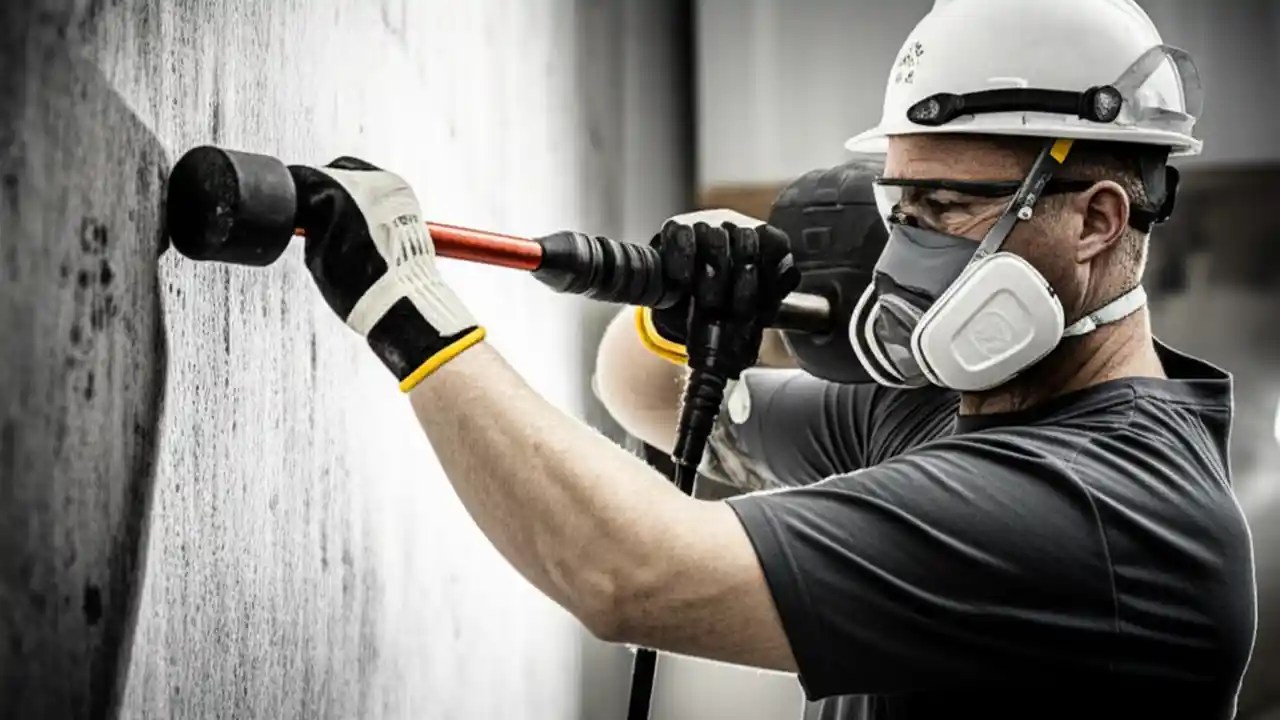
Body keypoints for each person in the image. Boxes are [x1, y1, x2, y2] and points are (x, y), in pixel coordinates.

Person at [286, 1, 1255, 718]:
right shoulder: (950, 406)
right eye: (898, 210)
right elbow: (643, 398)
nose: (909, 251)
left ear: (1093, 220)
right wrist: (688, 314)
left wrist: (405, 308)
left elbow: (624, 575)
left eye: (946, 209)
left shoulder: (1104, 514)